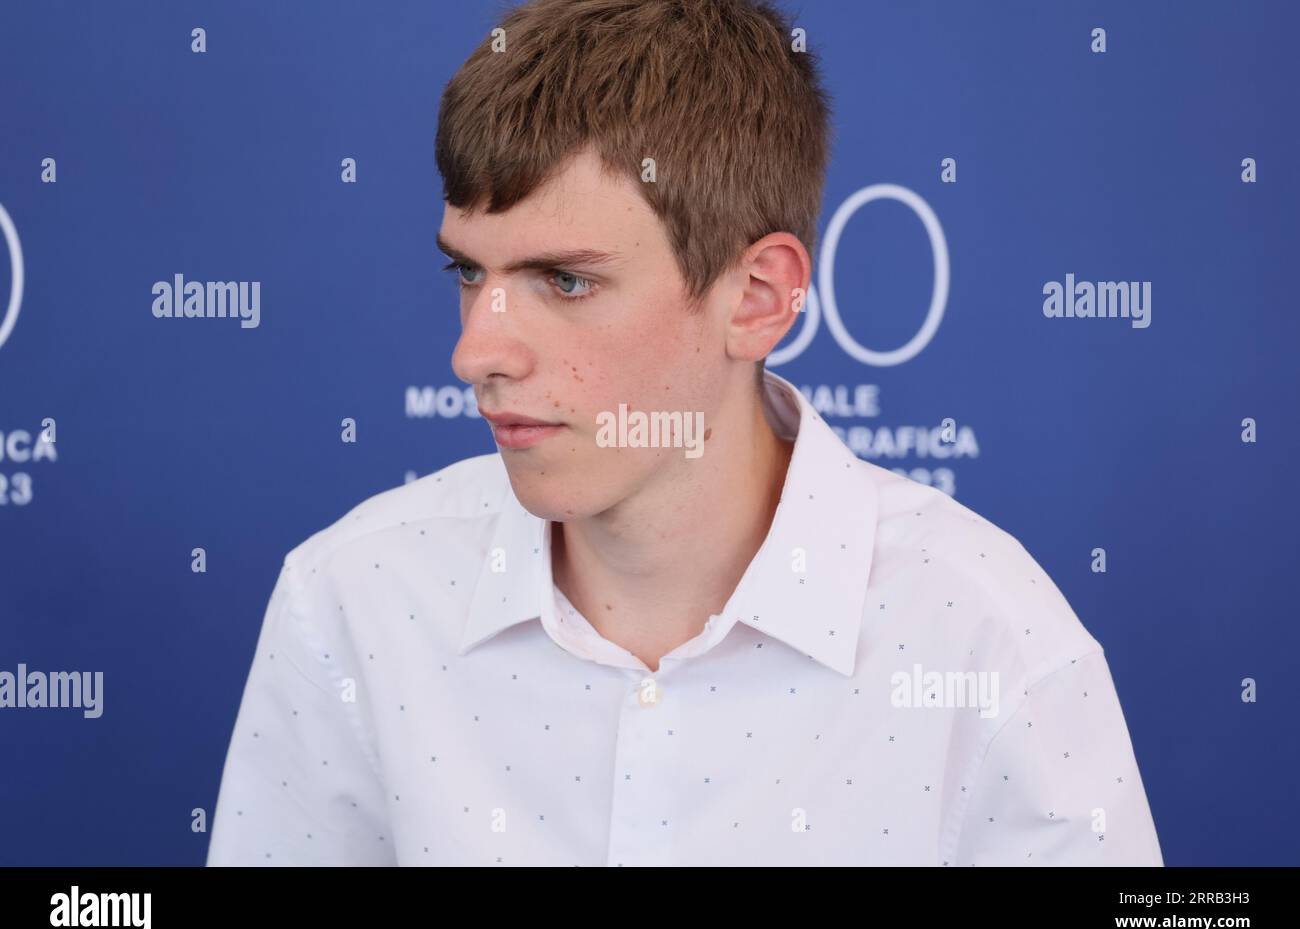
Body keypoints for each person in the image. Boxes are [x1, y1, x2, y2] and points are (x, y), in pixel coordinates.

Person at [207, 0, 1162, 866]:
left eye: (565, 281)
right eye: (467, 274)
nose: (476, 352)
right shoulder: (353, 600)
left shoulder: (987, 643)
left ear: (756, 298)